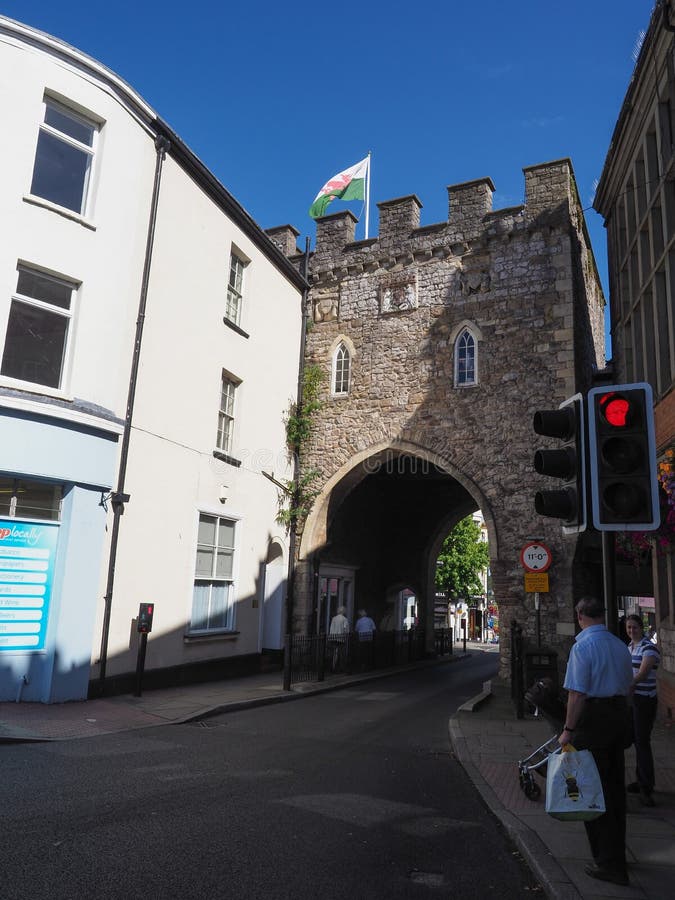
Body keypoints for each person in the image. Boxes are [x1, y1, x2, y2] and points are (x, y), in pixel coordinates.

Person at [558, 596, 633, 887]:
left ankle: (608, 863)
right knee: (615, 792)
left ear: (579, 615)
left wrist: (567, 729)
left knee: (593, 794)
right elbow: (627, 687)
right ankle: (617, 858)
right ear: (602, 615)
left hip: (594, 720)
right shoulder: (619, 645)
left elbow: (576, 694)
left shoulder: (583, 647)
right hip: (618, 717)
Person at [625, 614, 660, 807]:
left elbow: (643, 672)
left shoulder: (649, 648)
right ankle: (640, 780)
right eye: (629, 628)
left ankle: (647, 787)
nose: (631, 631)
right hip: (632, 700)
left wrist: (629, 684)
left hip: (644, 700)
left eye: (635, 627)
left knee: (642, 742)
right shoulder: (629, 647)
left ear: (642, 628)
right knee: (634, 740)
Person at [328, 606, 350, 671]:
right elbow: (346, 629)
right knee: (341, 653)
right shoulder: (344, 619)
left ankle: (333, 666)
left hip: (333, 637)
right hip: (341, 638)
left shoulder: (334, 618)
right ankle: (340, 667)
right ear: (343, 611)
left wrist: (330, 637)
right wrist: (346, 635)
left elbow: (331, 628)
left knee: (334, 653)